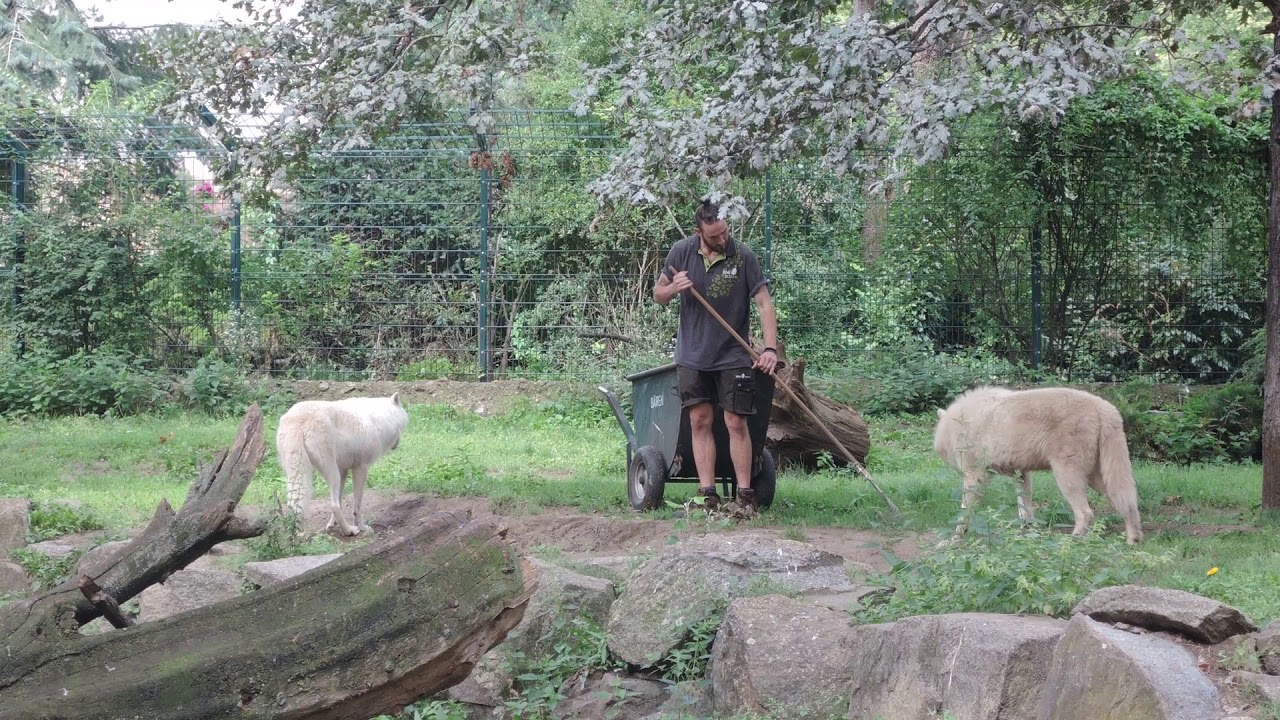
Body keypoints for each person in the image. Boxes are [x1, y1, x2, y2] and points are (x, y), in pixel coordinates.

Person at [653, 199, 779, 513]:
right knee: (699, 421)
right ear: (699, 233)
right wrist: (673, 289)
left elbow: (764, 304)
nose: (722, 240)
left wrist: (770, 349)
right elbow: (658, 295)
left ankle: (745, 498)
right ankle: (708, 495)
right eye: (713, 237)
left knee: (737, 423)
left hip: (734, 355)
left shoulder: (744, 256)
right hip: (693, 355)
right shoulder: (680, 252)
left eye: (724, 233)